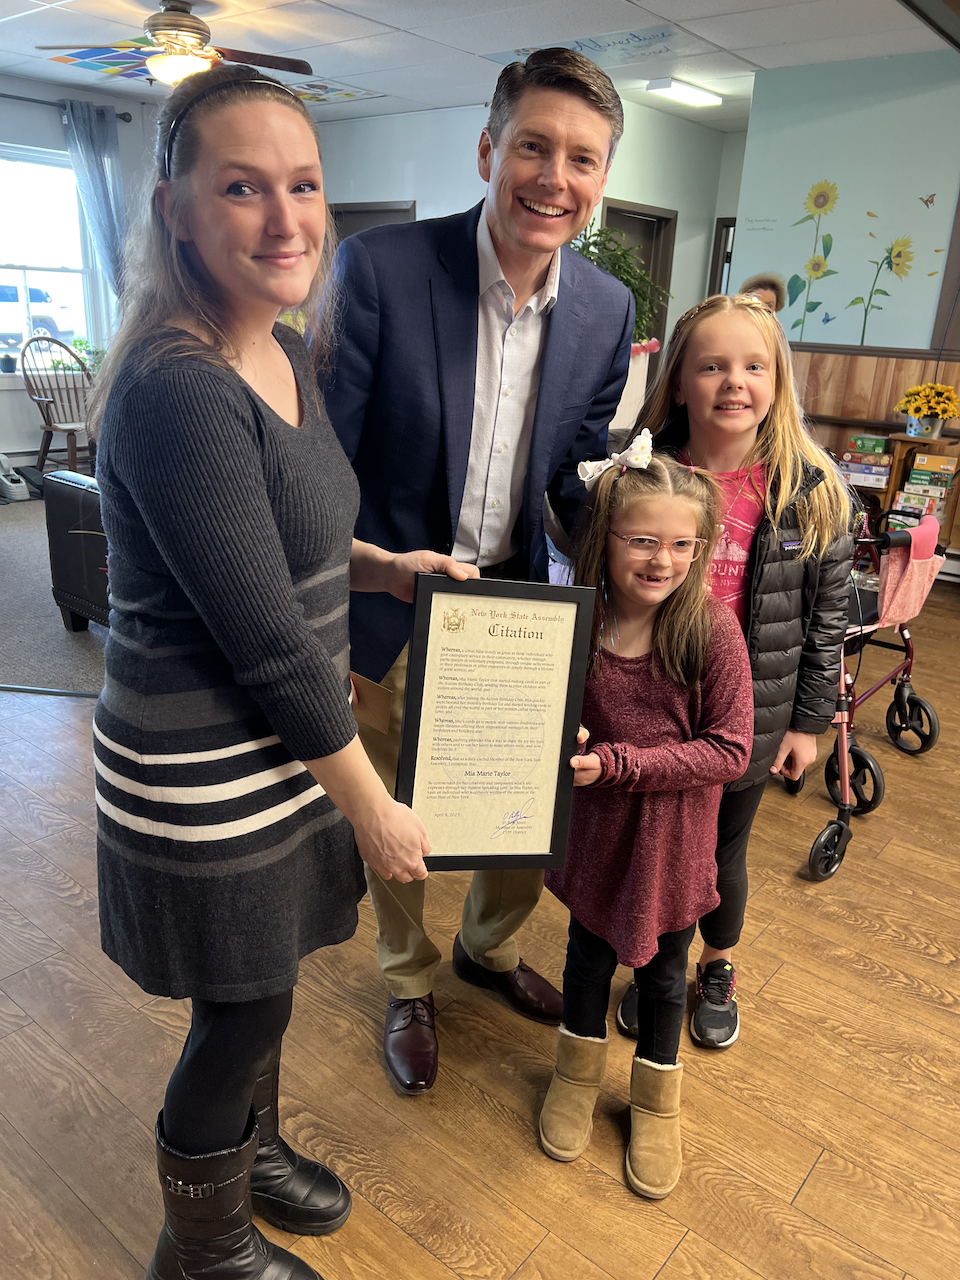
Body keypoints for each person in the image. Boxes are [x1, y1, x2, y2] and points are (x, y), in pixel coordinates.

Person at [88, 64, 475, 1280]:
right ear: (175, 210)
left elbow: (284, 538)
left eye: (302, 184)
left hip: (281, 742)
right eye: (242, 187)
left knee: (265, 976)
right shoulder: (178, 387)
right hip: (206, 759)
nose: (286, 218)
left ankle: (247, 1154)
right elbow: (257, 633)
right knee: (242, 1003)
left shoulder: (281, 347)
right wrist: (372, 801)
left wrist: (382, 567)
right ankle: (199, 1247)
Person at [324, 48, 634, 1095]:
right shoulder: (381, 269)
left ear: (601, 179)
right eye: (534, 147)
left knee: (518, 806)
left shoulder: (605, 310)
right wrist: (342, 601)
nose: (555, 177)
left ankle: (488, 949)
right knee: (394, 809)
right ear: (488, 149)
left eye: (581, 158)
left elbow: (572, 471)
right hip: (392, 597)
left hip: (516, 606)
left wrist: (644, 552)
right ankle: (408, 975)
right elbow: (322, 458)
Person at [616, 294, 852, 1051]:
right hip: (648, 710)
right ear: (678, 380)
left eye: (754, 366)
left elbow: (826, 625)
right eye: (711, 365)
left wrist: (809, 726)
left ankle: (715, 967)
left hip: (749, 715)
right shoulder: (637, 473)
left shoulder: (810, 491)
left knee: (721, 854)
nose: (733, 382)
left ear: (779, 382)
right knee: (653, 849)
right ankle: (657, 966)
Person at [538, 443, 753, 1198]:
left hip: (671, 850)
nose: (662, 561)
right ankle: (575, 1073)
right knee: (587, 962)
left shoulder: (712, 634)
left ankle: (656, 1101)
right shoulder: (577, 623)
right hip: (597, 842)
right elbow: (562, 721)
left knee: (664, 978)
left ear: (700, 548)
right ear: (609, 538)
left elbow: (729, 750)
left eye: (681, 544)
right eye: (643, 541)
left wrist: (625, 764)